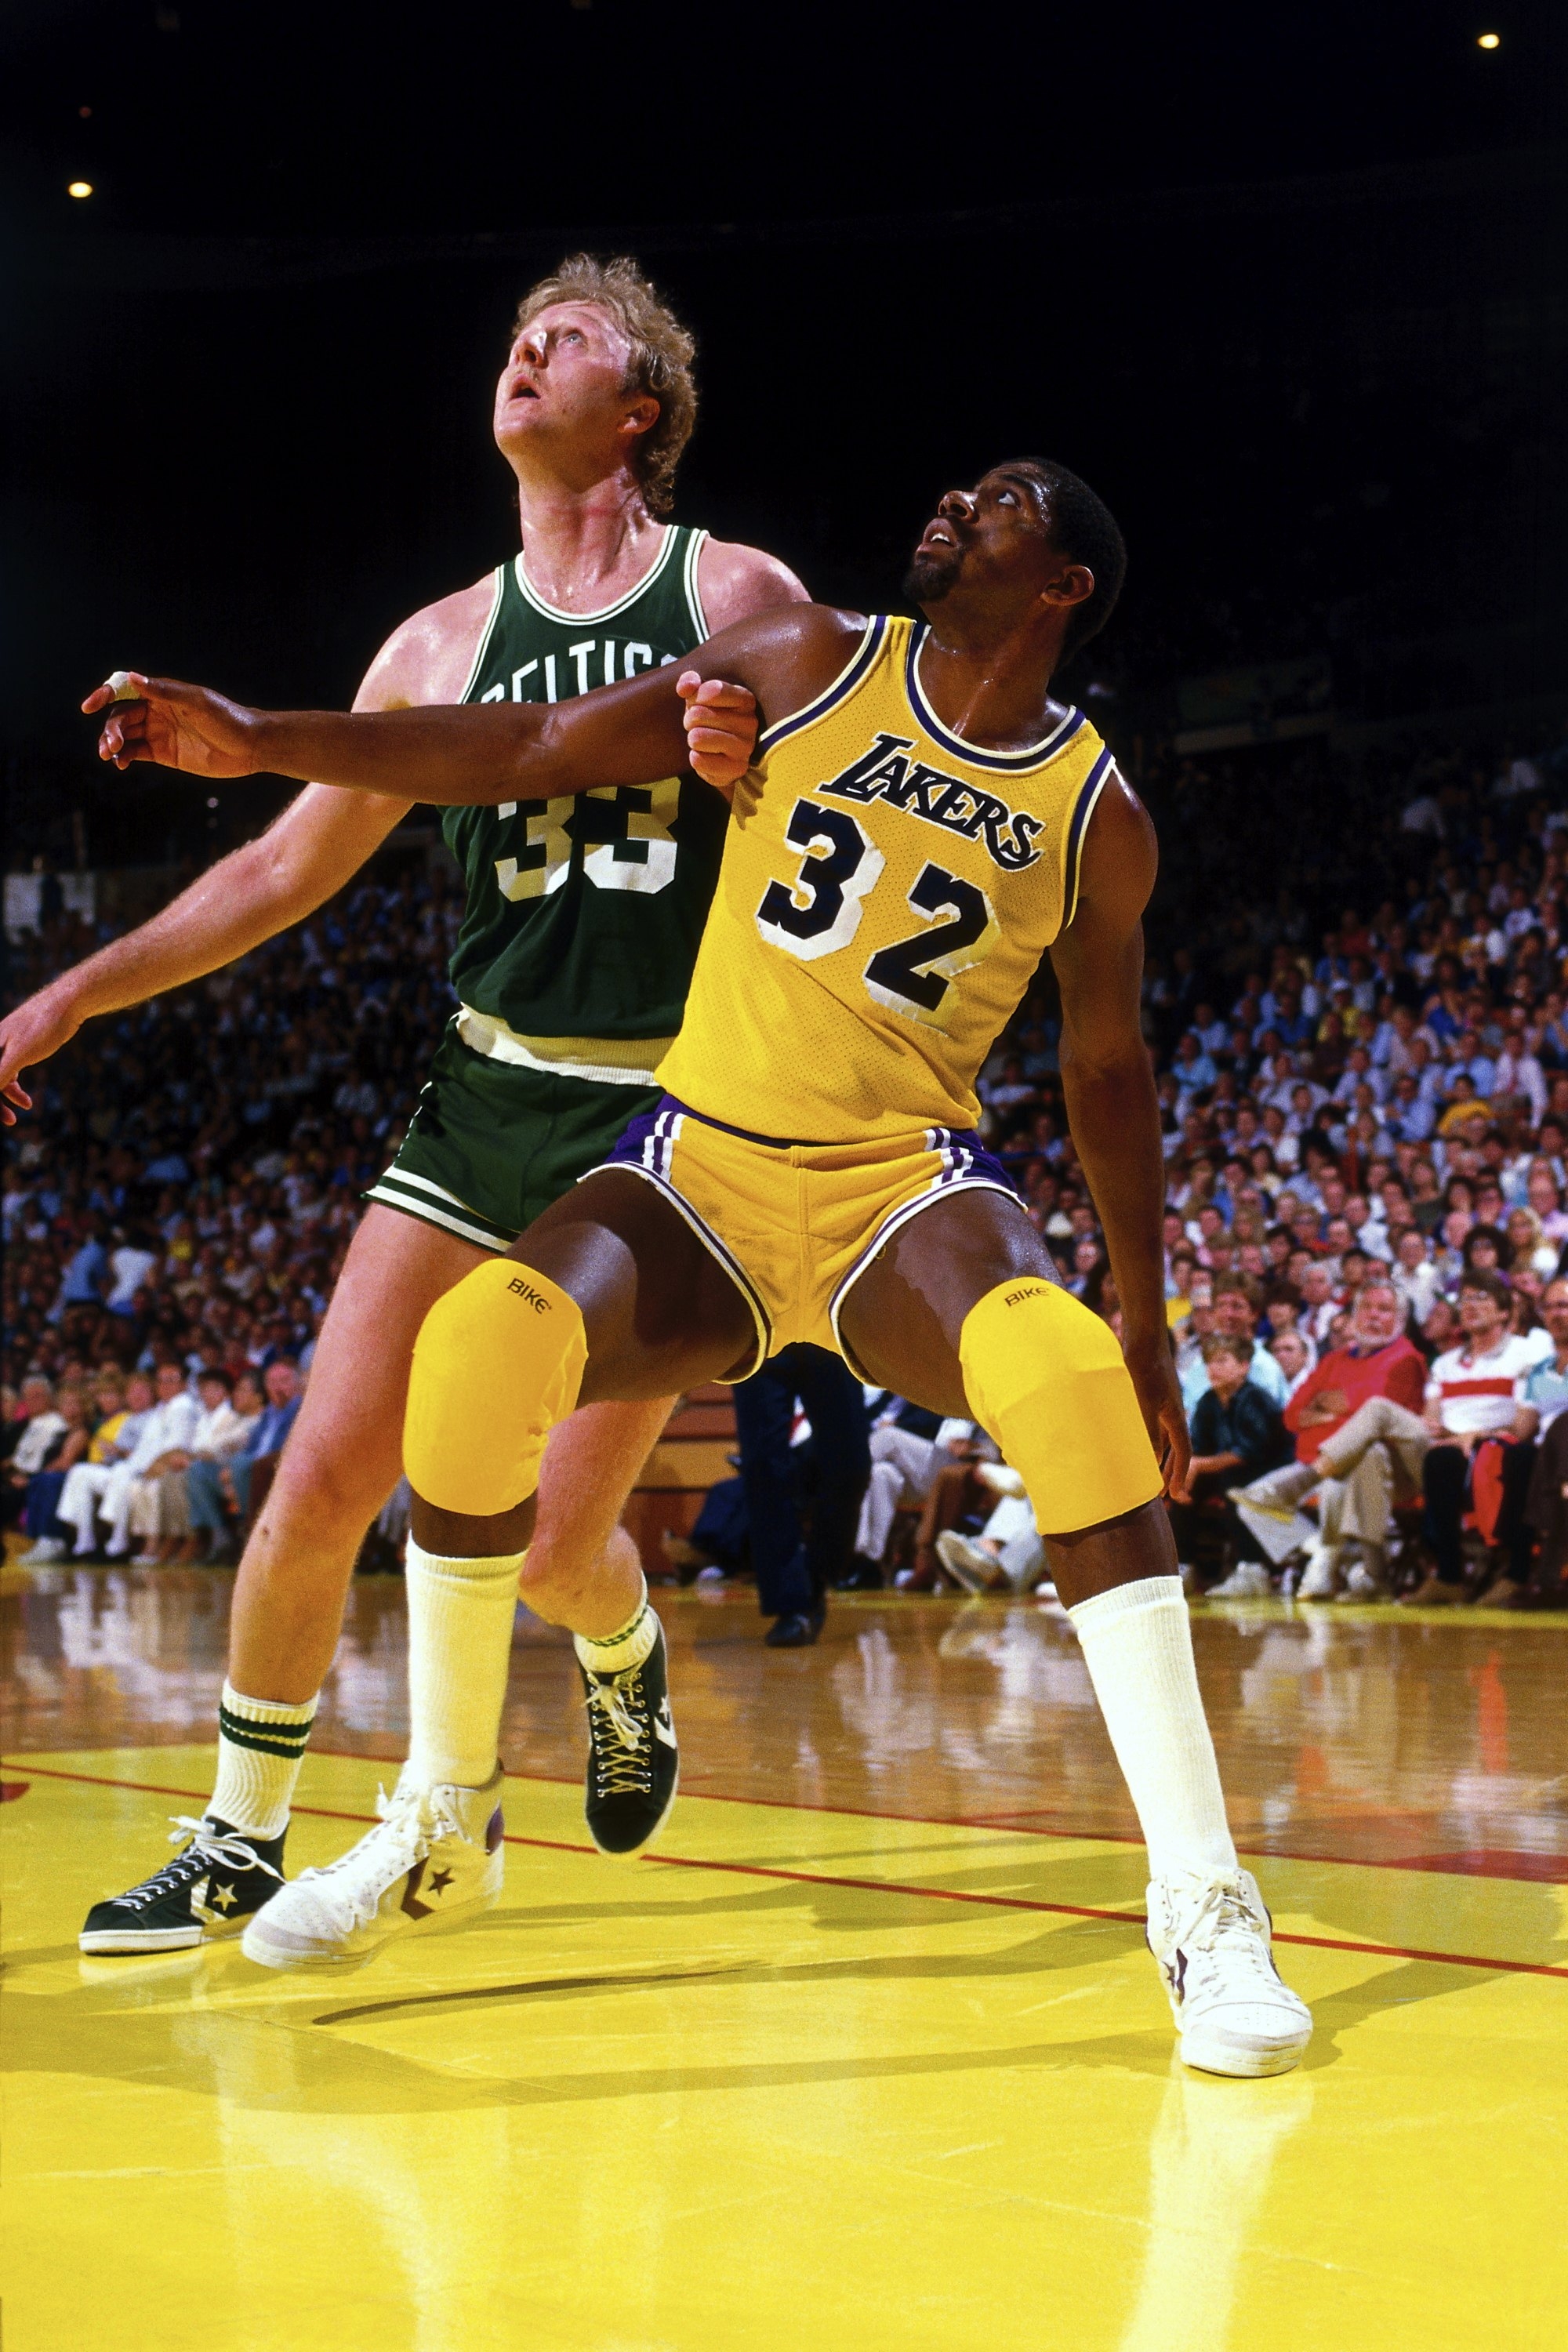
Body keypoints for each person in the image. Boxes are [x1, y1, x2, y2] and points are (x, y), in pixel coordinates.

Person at [96, 456, 1314, 2076]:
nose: (955, 500)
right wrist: (265, 738)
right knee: (477, 1344)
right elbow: (530, 746)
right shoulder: (806, 655)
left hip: (898, 1184)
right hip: (704, 1165)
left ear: (1062, 585)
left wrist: (1148, 1320)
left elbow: (1105, 1068)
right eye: (958, 486)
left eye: (1002, 500)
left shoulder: (1100, 813)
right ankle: (444, 1817)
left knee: (1066, 1368)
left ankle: (1207, 1903)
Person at [21, 255, 797, 1955]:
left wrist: (761, 772)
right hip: (482, 1097)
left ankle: (621, 1651)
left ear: (640, 409)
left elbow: (832, 824)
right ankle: (238, 1836)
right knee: (319, 1479)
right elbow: (278, 874)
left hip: (660, 1126)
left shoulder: (735, 589)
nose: (524, 353)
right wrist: (74, 990)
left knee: (552, 1547)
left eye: (567, 340)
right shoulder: (438, 642)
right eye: (517, 336)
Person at [1230, 1278, 1428, 1600]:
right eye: (1366, 1307)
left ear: (1401, 1320)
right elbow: (1293, 1415)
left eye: (1384, 1309)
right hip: (1314, 1460)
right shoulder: (1333, 1359)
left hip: (1382, 1469)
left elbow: (1374, 1414)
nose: (1373, 1315)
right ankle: (1322, 1551)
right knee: (1250, 1503)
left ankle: (1337, 1565)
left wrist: (1324, 1410)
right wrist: (1340, 1414)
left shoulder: (1407, 1358)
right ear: (1354, 1315)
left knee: (1356, 1465)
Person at [1403, 1269, 1541, 1606]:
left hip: (1499, 1449)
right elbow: (1432, 1423)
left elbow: (1523, 1427)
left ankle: (1507, 1572)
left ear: (1505, 1312)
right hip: (1447, 1450)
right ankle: (1448, 1574)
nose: (1470, 1305)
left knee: (1510, 1456)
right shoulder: (1445, 1364)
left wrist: (1475, 1436)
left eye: (1481, 1298)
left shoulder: (1526, 1354)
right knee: (1440, 1456)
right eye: (1465, 1298)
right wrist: (1456, 1437)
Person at [729, 1343, 871, 1645]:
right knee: (764, 1468)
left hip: (829, 1333)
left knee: (852, 1465)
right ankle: (791, 1605)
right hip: (760, 1333)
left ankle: (817, 1575)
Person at [1172, 1336, 1291, 1594]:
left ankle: (1252, 1569)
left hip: (1271, 1471)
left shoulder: (1256, 1399)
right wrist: (1186, 1471)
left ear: (1244, 1367)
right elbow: (1199, 1449)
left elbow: (1249, 1453)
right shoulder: (1208, 1401)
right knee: (1180, 1486)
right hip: (1229, 1471)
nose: (1213, 1369)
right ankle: (1185, 1566)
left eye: (1222, 1361)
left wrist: (1198, 1465)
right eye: (1209, 1363)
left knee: (1234, 1483)